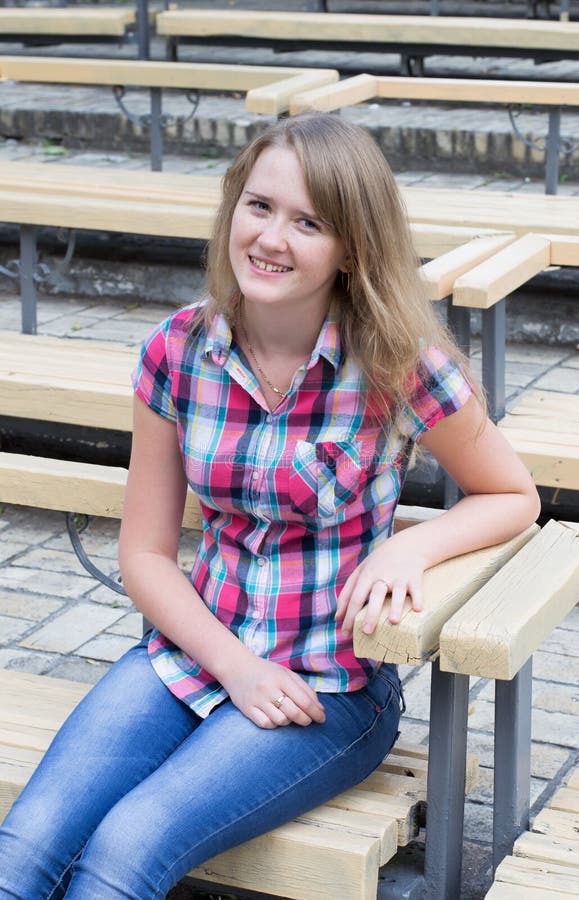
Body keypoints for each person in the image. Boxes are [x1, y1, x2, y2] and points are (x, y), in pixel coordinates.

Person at [0, 112, 540, 899]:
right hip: (189, 655)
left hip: (330, 688)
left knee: (122, 855)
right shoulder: (178, 351)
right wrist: (236, 667)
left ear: (351, 247)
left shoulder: (396, 362)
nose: (271, 238)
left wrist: (408, 548)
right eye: (258, 206)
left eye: (308, 221)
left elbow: (512, 494)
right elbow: (146, 555)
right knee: (25, 846)